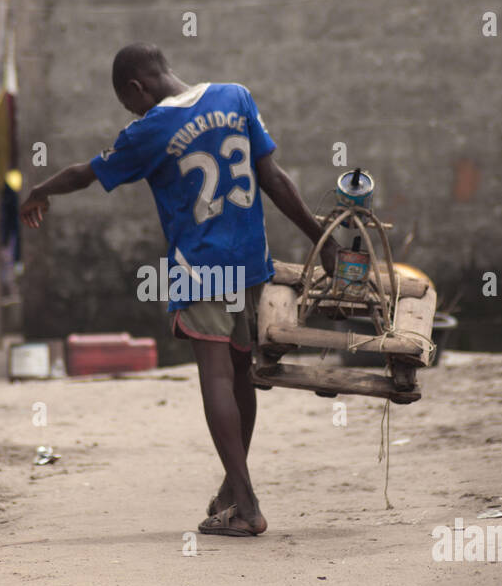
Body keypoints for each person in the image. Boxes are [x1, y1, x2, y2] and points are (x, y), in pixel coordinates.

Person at [20, 43, 337, 537]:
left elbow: (87, 172)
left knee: (215, 379)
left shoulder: (147, 131)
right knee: (240, 374)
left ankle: (247, 504)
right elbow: (274, 178)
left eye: (129, 103)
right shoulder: (236, 97)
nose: (132, 111)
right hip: (251, 262)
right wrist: (323, 239)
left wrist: (41, 190)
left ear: (136, 88)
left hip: (201, 269)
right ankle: (235, 491)